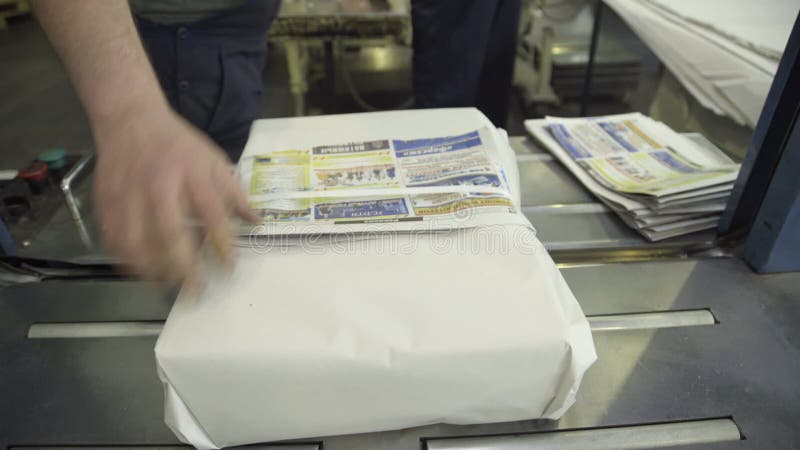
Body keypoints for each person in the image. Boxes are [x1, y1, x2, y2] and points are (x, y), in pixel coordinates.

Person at [31, 0, 520, 282]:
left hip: (239, 24)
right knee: (189, 230)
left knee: (226, 207)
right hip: (174, 28)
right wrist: (130, 109)